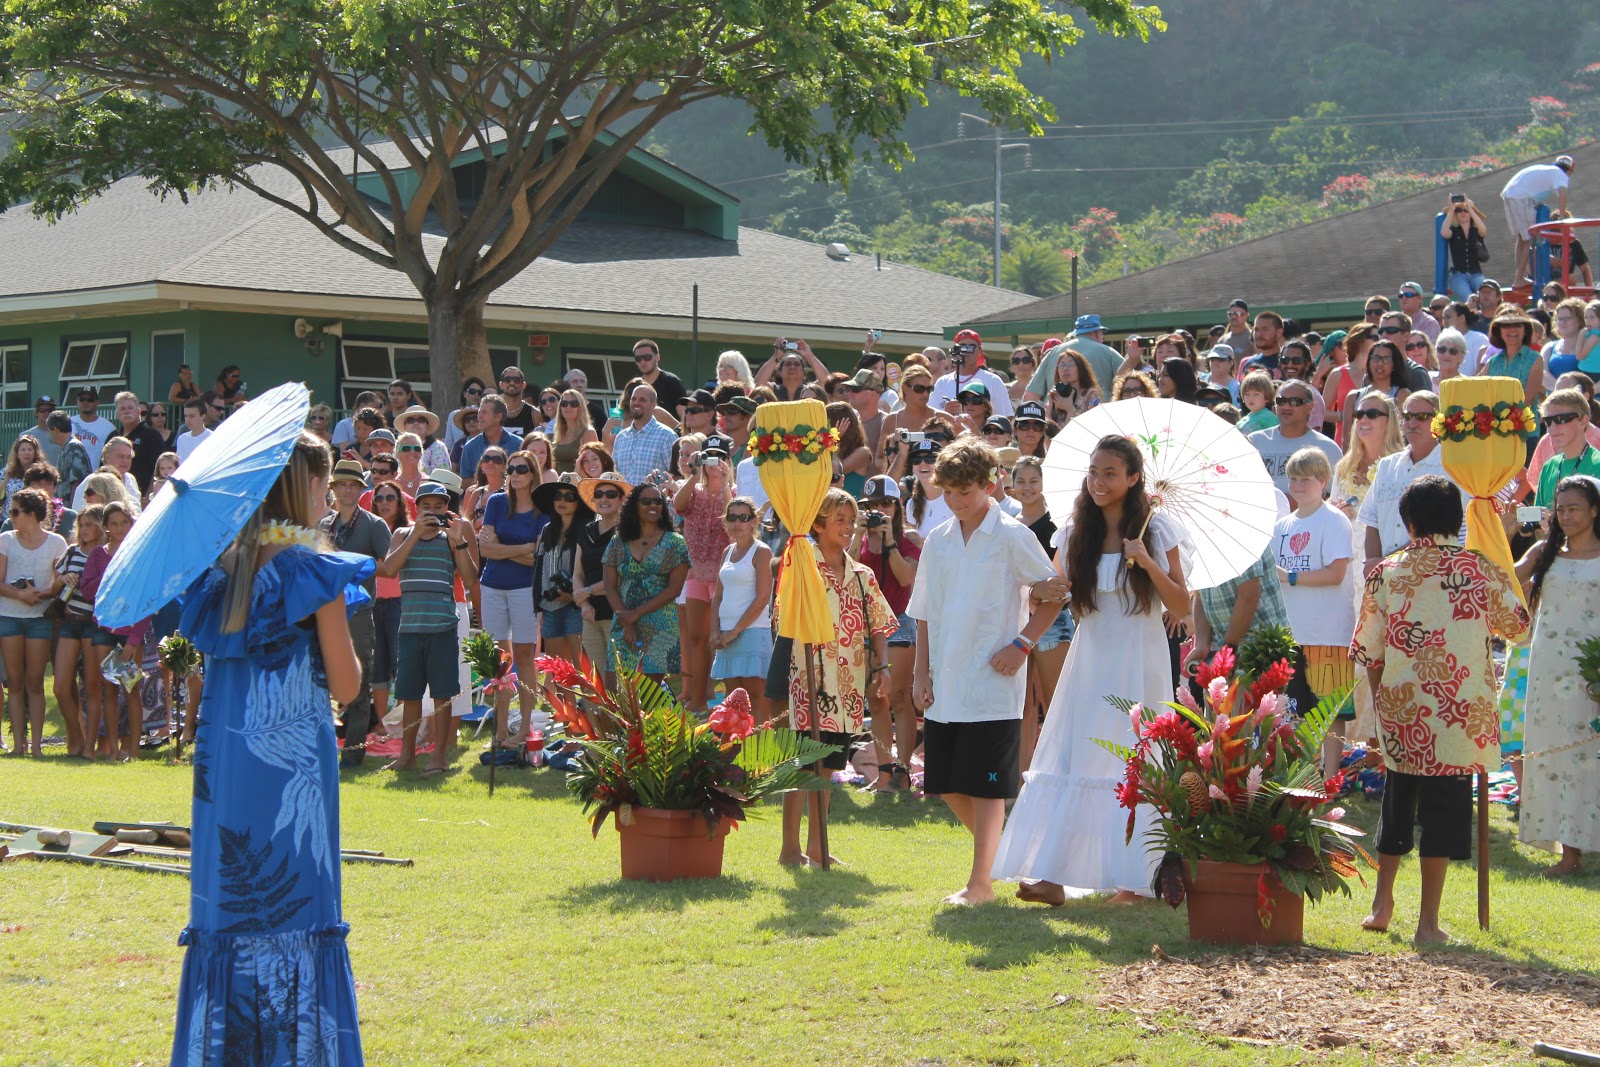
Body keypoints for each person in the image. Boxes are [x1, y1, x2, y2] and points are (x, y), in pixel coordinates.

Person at [164, 430, 366, 1058]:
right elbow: (348, 683)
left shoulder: (221, 574)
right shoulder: (314, 570)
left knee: (230, 900)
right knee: (297, 900)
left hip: (224, 765)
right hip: (292, 764)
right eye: (324, 482)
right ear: (305, 488)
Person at [991, 434, 1187, 905]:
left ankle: (1134, 882)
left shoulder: (1157, 531)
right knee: (1071, 756)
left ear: (1134, 478)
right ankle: (1053, 876)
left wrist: (1145, 562)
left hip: (1138, 661)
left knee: (1130, 759)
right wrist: (1041, 593)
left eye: (1111, 473)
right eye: (1094, 472)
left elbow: (1181, 602)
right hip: (1090, 656)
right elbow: (1054, 588)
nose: (1099, 482)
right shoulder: (1076, 530)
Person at [1352, 475, 1529, 943]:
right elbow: (1519, 626)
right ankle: (1428, 923)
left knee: (1396, 805)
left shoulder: (1387, 571)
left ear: (1409, 521)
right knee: (1443, 813)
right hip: (1460, 714)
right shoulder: (1481, 568)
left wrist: (1384, 701)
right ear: (1458, 521)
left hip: (1402, 709)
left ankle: (1382, 903)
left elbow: (1369, 651)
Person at [776, 488, 896, 868]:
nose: (848, 527)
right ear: (819, 524)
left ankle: (816, 846)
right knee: (802, 764)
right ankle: (789, 849)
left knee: (828, 765)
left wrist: (883, 666)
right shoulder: (802, 565)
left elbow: (879, 622)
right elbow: (783, 615)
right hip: (809, 678)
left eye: (851, 520)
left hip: (848, 681)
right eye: (839, 520)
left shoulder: (862, 574)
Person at [1516, 475, 1600, 877]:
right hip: (1548, 669)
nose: (1566, 516)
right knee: (1558, 755)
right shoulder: (1544, 552)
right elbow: (1506, 580)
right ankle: (1570, 853)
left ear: (1595, 510)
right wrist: (1505, 529)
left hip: (1592, 667)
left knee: (1592, 755)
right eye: (1561, 509)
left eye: (1575, 508)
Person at [378, 480, 478, 773]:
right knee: (408, 695)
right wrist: (415, 534)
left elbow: (471, 578)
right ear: (416, 508)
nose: (433, 512)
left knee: (442, 695)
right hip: (409, 627)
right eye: (426, 507)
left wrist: (459, 538)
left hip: (443, 626)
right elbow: (391, 568)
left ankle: (440, 757)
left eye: (439, 506)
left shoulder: (450, 538)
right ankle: (406, 756)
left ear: (447, 508)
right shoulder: (401, 533)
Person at [1273, 448, 1356, 777]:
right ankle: (1302, 776)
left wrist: (1290, 576)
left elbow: (1335, 574)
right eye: (1293, 478)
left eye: (1306, 478)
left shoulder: (1335, 520)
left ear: (1323, 481)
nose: (1297, 485)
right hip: (1292, 633)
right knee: (1295, 710)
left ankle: (1331, 777)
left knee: (1329, 709)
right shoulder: (1281, 526)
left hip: (1329, 632)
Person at [320, 459, 394, 768]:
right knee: (320, 677)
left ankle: (353, 752)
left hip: (360, 611)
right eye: (342, 485)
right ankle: (323, 746)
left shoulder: (374, 524)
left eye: (353, 485)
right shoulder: (324, 524)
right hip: (325, 611)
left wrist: (355, 565)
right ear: (333, 489)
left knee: (360, 679)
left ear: (360, 490)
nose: (348, 491)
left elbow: (390, 565)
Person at [852, 474, 920, 793]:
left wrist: (889, 540)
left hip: (899, 623)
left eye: (885, 504)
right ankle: (884, 774)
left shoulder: (910, 539)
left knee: (899, 699)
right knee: (876, 701)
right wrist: (856, 532)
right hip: (866, 627)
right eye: (871, 506)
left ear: (897, 506)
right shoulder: (861, 538)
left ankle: (903, 773)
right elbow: (846, 570)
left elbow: (905, 579)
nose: (878, 510)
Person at [476, 450, 545, 750]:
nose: (515, 474)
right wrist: (523, 548)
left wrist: (505, 548)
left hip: (524, 590)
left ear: (533, 474)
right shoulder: (496, 502)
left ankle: (525, 728)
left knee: (525, 656)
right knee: (497, 661)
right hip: (491, 586)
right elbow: (486, 551)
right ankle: (500, 729)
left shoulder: (543, 510)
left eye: (522, 469)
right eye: (512, 469)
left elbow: (537, 559)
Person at [0, 488, 69, 757]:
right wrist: (20, 594)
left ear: (31, 514)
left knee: (35, 682)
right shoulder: (5, 540)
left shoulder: (56, 543)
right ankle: (19, 745)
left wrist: (41, 594)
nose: (11, 516)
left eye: (15, 511)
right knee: (14, 683)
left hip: (40, 618)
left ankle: (38, 747)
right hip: (9, 616)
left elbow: (58, 584)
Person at [78, 501, 147, 760]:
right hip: (104, 630)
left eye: (124, 522)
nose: (120, 528)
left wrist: (134, 638)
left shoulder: (140, 554)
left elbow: (145, 599)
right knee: (109, 689)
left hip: (130, 631)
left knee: (131, 689)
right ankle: (115, 750)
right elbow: (87, 591)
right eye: (114, 524)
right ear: (105, 527)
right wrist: (110, 572)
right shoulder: (98, 555)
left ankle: (135, 750)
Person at [671, 433, 733, 711]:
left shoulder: (734, 493)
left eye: (719, 457)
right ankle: (697, 701)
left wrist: (726, 481)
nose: (713, 463)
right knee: (696, 638)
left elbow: (732, 520)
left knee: (718, 639)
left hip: (722, 576)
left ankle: (725, 703)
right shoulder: (694, 491)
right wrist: (695, 474)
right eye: (709, 456)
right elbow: (678, 506)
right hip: (696, 574)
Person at [603, 482, 689, 682]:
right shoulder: (618, 541)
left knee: (651, 693)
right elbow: (609, 586)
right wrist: (627, 620)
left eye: (658, 501)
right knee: (614, 688)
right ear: (634, 505)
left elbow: (674, 590)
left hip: (661, 624)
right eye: (646, 501)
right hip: (624, 621)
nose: (653, 505)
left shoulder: (675, 542)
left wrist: (635, 614)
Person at [709, 495, 774, 714]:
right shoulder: (727, 551)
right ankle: (738, 747)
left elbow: (763, 598)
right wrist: (714, 631)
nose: (737, 523)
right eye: (732, 517)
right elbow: (718, 596)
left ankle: (760, 747)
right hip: (726, 634)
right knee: (732, 699)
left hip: (752, 632)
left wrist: (734, 632)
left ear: (754, 521)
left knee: (756, 695)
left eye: (744, 517)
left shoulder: (762, 551)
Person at [52, 503, 103, 759]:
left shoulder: (105, 554)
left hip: (93, 623)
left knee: (92, 687)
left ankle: (89, 747)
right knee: (61, 686)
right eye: (81, 525)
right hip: (71, 620)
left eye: (90, 525)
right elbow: (55, 579)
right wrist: (63, 579)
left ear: (100, 527)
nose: (84, 530)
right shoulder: (72, 552)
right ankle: (76, 737)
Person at [574, 471, 628, 682]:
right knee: (593, 681)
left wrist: (586, 592)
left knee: (618, 681)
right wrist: (585, 603)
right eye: (599, 494)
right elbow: (578, 572)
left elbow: (620, 577)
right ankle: (595, 717)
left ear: (622, 499)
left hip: (618, 614)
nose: (604, 498)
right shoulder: (586, 530)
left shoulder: (627, 533)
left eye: (611, 494)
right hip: (591, 615)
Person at [1249, 378, 1341, 494]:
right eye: (1281, 401)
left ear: (1309, 407)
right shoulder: (1255, 441)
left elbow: (1334, 495)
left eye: (1294, 402)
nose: (1286, 407)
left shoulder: (1327, 448)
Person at [1501, 155, 1574, 286]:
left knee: (1522, 238)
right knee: (1528, 238)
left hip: (1510, 194)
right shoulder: (1560, 174)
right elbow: (1563, 193)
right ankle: (1519, 278)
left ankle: (1519, 276)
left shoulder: (1547, 171)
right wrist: (1562, 219)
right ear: (1569, 171)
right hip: (1521, 197)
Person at [1025, 317, 1121, 402]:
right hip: (1096, 415)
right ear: (1097, 333)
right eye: (1102, 336)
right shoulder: (1109, 352)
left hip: (1055, 416)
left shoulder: (1053, 352)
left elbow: (1030, 396)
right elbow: (1130, 383)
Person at [1533, 389, 1600, 505]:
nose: (1552, 427)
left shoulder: (1597, 464)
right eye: (1548, 421)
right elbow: (1538, 519)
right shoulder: (1549, 466)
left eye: (1561, 419)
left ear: (1583, 421)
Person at [931, 329, 1014, 417]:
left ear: (980, 351)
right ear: (955, 350)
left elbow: (1007, 417)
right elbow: (929, 416)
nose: (967, 350)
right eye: (962, 346)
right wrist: (945, 411)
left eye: (972, 346)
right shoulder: (942, 382)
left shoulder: (993, 381)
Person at [1478, 309, 1546, 409]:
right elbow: (1483, 396)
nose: (1512, 330)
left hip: (1525, 422)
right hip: (1494, 423)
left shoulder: (1535, 359)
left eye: (1518, 325)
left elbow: (1529, 398)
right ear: (1498, 330)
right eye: (1506, 325)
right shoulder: (1492, 363)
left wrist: (1506, 418)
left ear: (1526, 330)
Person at [611, 383, 677, 485]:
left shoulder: (667, 436)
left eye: (642, 400)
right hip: (624, 500)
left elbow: (675, 476)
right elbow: (615, 474)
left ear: (654, 405)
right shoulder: (621, 437)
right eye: (634, 399)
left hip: (653, 500)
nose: (636, 403)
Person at [460, 393, 523, 478]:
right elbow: (466, 480)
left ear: (498, 417)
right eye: (479, 412)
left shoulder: (519, 444)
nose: (479, 416)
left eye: (484, 412)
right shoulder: (470, 447)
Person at [1441, 196, 1490, 300]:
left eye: (1465, 210)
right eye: (1459, 211)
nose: (1462, 213)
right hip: (1458, 275)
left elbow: (1483, 230)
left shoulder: (1476, 232)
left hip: (1476, 273)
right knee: (1469, 299)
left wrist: (1471, 209)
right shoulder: (1454, 231)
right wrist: (1452, 209)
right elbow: (1444, 232)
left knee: (1486, 296)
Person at [1043, 347, 1102, 428]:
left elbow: (1095, 424)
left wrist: (1070, 409)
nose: (1065, 369)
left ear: (1080, 368)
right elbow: (1046, 428)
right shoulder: (1056, 394)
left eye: (1070, 364)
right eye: (1061, 365)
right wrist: (1050, 405)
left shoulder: (1091, 394)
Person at [629, 338, 687, 416]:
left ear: (657, 357)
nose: (642, 361)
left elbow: (684, 418)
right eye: (638, 359)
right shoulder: (635, 386)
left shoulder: (672, 382)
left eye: (647, 357)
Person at [552, 387, 599, 474]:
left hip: (578, 483)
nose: (568, 407)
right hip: (558, 483)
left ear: (580, 408)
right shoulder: (559, 432)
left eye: (574, 404)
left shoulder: (588, 432)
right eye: (564, 403)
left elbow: (593, 466)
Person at [395, 406, 450, 475]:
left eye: (421, 420)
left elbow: (441, 476)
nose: (416, 423)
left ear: (428, 426)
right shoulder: (397, 447)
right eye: (410, 420)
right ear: (405, 426)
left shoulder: (438, 447)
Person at [70, 387, 115, 469]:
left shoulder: (108, 428)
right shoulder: (68, 423)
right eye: (82, 399)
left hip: (96, 477)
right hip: (71, 477)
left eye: (90, 399)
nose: (85, 402)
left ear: (97, 402)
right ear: (77, 401)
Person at [444, 378, 486, 452]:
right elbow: (449, 446)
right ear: (464, 394)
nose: (476, 394)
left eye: (479, 392)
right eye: (472, 391)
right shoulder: (453, 415)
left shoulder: (485, 415)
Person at [19, 396, 61, 468]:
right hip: (34, 477)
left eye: (50, 410)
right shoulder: (26, 435)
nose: (46, 413)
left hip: (57, 477)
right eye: (42, 410)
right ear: (36, 412)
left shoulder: (61, 434)